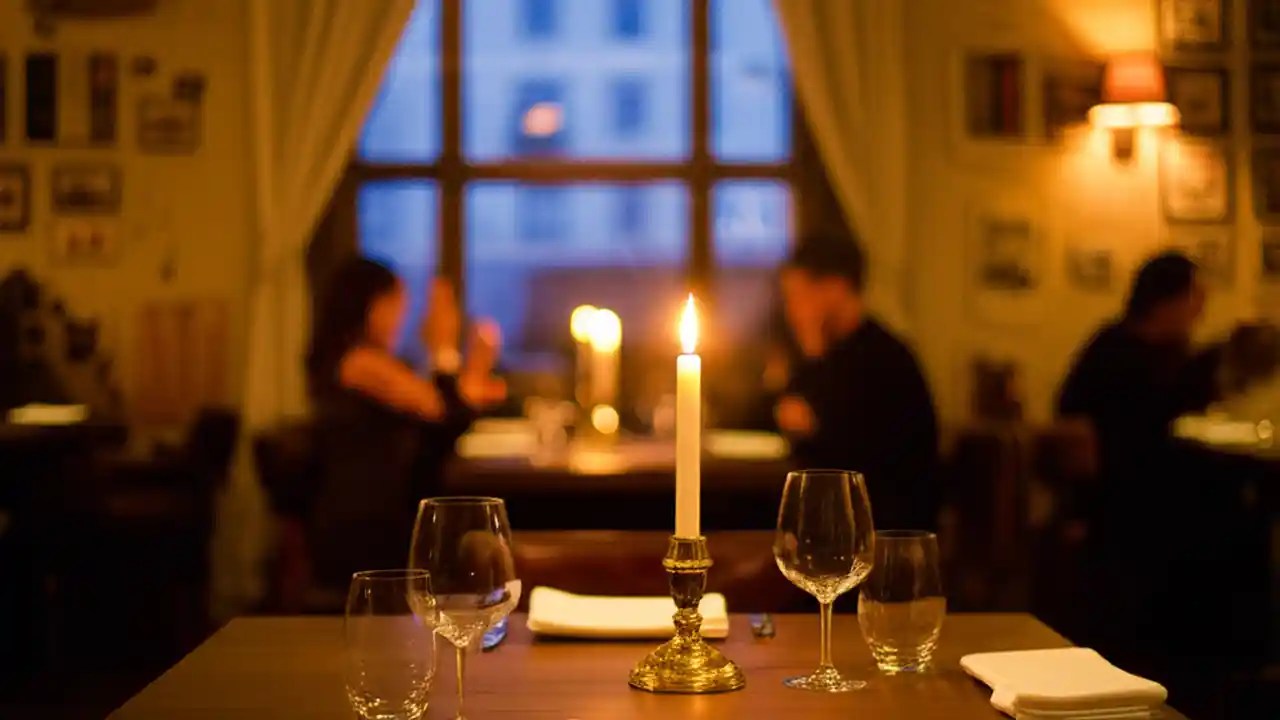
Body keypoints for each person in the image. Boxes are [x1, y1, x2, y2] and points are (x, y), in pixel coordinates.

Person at [1057, 252, 1271, 715]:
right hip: (1130, 516)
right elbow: (1077, 433)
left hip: (1171, 504)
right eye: (1195, 298)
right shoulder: (1113, 352)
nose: (1200, 310)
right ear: (1166, 300)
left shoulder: (1181, 356)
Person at [304, 257, 505, 592]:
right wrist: (442, 346)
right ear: (369, 304)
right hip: (364, 522)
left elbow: (450, 411)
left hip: (378, 510)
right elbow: (440, 410)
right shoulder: (359, 363)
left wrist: (473, 362)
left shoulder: (361, 361)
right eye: (395, 303)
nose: (401, 316)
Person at [768, 236, 940, 531]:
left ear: (835, 289)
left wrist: (811, 420)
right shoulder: (822, 353)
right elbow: (778, 414)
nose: (791, 311)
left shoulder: (887, 358)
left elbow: (856, 456)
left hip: (879, 533)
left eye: (798, 296)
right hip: (830, 523)